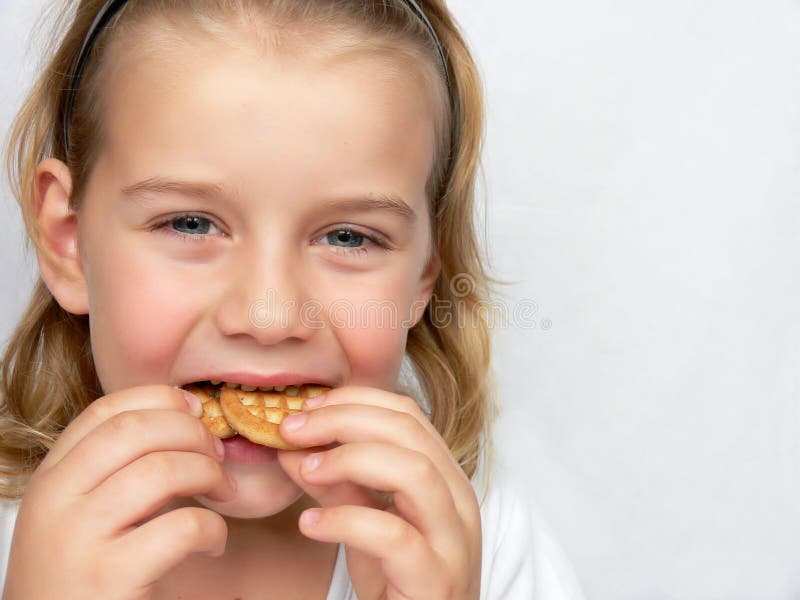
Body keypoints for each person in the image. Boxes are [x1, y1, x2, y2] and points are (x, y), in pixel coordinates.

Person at [0, 0, 585, 598]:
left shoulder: (486, 544)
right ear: (68, 241)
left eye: (348, 236)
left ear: (422, 278)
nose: (271, 317)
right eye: (191, 224)